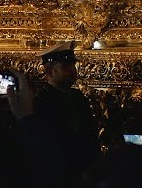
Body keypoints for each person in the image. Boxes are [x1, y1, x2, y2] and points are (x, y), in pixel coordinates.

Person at [33, 41, 100, 171]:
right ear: (50, 71)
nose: (72, 72)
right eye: (66, 68)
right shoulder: (42, 101)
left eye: (73, 67)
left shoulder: (77, 97)